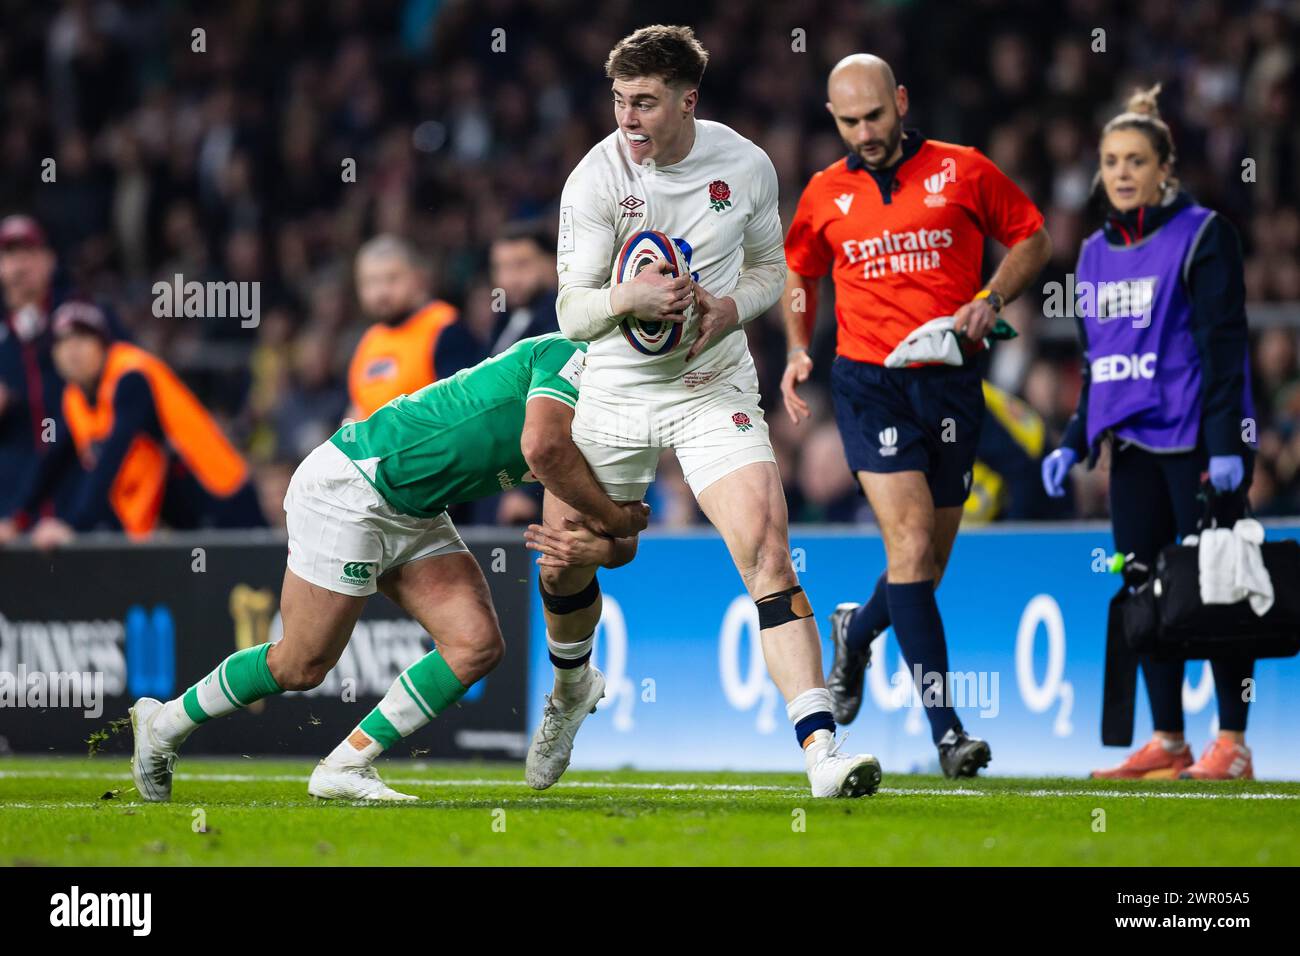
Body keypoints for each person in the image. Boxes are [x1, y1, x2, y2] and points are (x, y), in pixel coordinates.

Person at [531, 25, 881, 800]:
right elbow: (569, 309)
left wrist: (731, 310)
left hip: (709, 387)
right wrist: (630, 297)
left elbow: (771, 269)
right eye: (620, 100)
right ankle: (568, 694)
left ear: (688, 100)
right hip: (613, 388)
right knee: (564, 559)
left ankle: (822, 751)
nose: (628, 118)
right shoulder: (594, 180)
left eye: (646, 102)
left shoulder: (746, 165)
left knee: (767, 555)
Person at [129, 333, 648, 802]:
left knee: (475, 646)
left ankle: (346, 765)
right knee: (301, 665)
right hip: (353, 486)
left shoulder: (625, 419)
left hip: (415, 509)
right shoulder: (567, 356)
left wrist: (601, 546)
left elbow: (614, 539)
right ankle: (164, 725)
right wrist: (614, 519)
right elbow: (546, 454)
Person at [781, 54, 1052, 776]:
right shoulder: (823, 193)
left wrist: (990, 300)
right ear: (833, 120)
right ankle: (947, 734)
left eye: (874, 115)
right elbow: (799, 270)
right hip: (870, 383)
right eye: (848, 121)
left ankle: (856, 631)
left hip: (954, 383)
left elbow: (1033, 235)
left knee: (923, 567)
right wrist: (797, 349)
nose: (864, 132)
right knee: (907, 548)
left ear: (900, 101)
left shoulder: (963, 169)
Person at [1041, 85, 1257, 780]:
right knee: (1144, 593)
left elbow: (1226, 351)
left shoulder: (1204, 236)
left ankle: (1233, 743)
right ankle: (1169, 742)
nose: (1123, 172)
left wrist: (1228, 445)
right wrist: (1076, 437)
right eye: (1110, 161)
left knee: (1219, 590)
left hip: (1197, 444)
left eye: (1136, 159)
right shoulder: (1092, 257)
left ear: (1165, 167)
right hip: (1130, 451)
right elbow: (1097, 360)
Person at [6, 301, 264, 545]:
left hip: (221, 499)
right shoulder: (75, 397)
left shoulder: (132, 377)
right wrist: (16, 519)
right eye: (61, 343)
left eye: (83, 339)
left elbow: (111, 458)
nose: (72, 351)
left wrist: (74, 528)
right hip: (180, 516)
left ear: (103, 345)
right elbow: (53, 462)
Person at [345, 235, 457, 420]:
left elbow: (458, 412)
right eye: (371, 282)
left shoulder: (444, 328)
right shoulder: (370, 340)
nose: (381, 292)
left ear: (418, 277)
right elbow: (356, 412)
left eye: (392, 279)